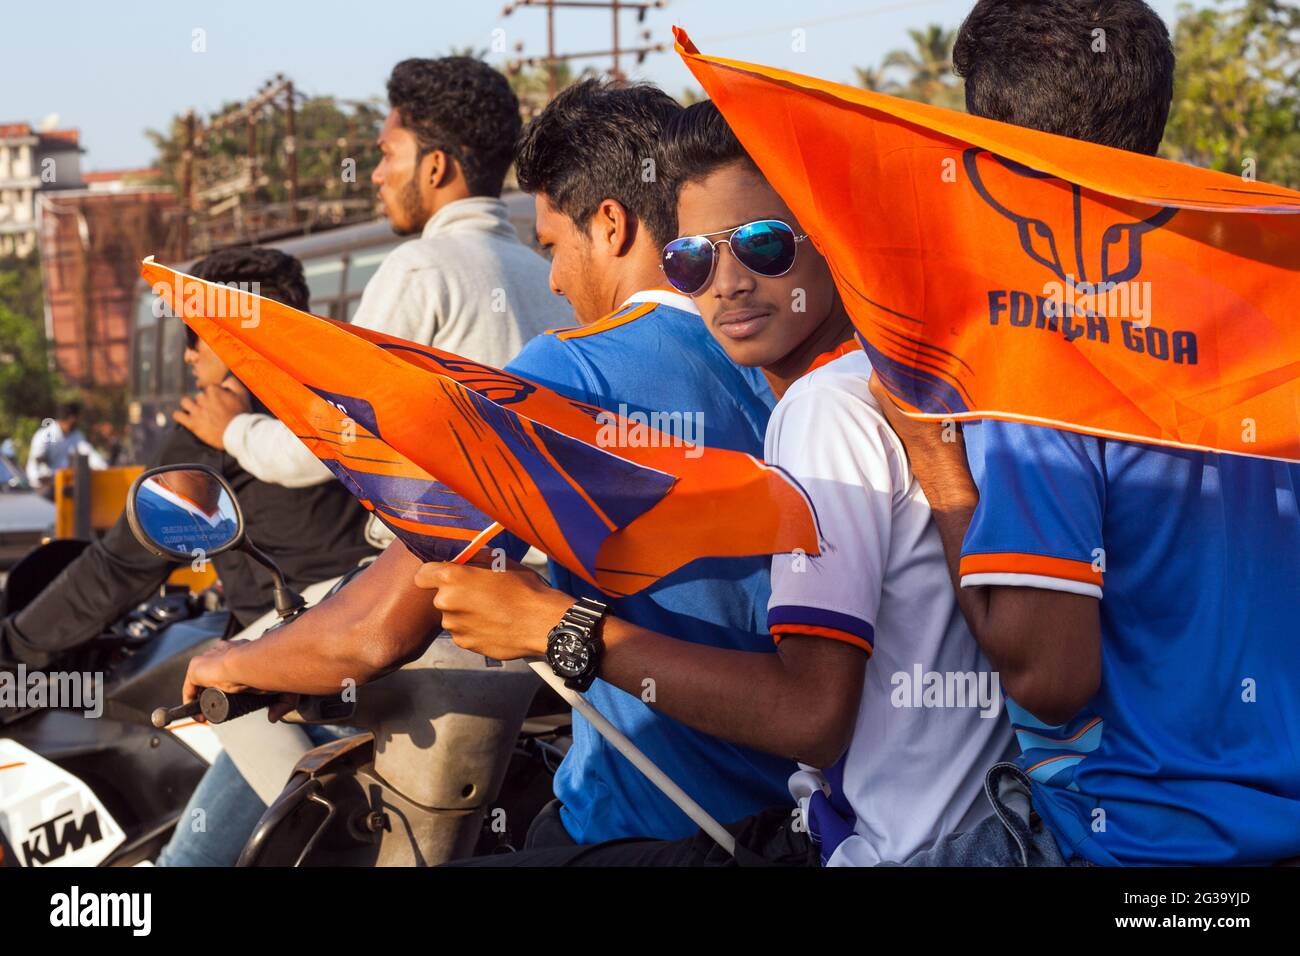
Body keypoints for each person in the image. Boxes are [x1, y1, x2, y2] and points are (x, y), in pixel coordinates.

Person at [180, 79, 804, 851]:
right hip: (800, 817)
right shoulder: (777, 354)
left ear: (609, 225)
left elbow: (377, 631)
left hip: (643, 828)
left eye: (552, 247)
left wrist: (243, 659)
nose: (553, 281)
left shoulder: (571, 375)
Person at [431, 101, 1012, 867]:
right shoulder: (908, 374)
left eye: (765, 245)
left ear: (833, 235)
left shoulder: (825, 410)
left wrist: (556, 630)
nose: (728, 284)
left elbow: (811, 714)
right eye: (693, 261)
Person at [866, 0, 1300, 866]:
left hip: (1135, 843)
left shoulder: (1044, 351)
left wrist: (943, 477)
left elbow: (1051, 681)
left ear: (993, 150)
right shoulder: (1267, 300)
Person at [176, 56, 570, 497]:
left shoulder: (419, 268)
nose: (378, 176)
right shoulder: (547, 276)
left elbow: (327, 439)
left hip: (449, 560)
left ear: (435, 167)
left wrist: (232, 428)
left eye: (386, 155)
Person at [0, 247, 376, 672]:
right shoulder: (352, 391)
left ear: (225, 335)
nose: (187, 355)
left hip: (299, 643)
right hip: (382, 612)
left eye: (192, 334)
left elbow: (123, 565)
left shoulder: (215, 420)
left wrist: (13, 647)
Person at [25, 401, 106, 497]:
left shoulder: (75, 435)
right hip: (42, 486)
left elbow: (88, 452)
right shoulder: (46, 434)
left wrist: (103, 468)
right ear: (71, 419)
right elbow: (38, 459)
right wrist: (47, 476)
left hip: (61, 482)